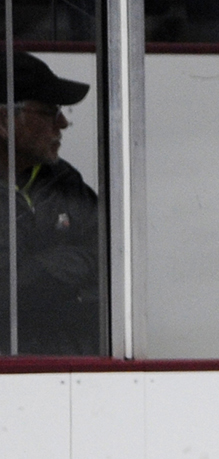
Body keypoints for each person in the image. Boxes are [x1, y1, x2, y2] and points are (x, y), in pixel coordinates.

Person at [1, 52, 98, 356]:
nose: (63, 123)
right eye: (48, 111)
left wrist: (42, 273)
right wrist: (70, 266)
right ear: (4, 120)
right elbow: (7, 292)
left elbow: (113, 258)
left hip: (74, 366)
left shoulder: (64, 179)